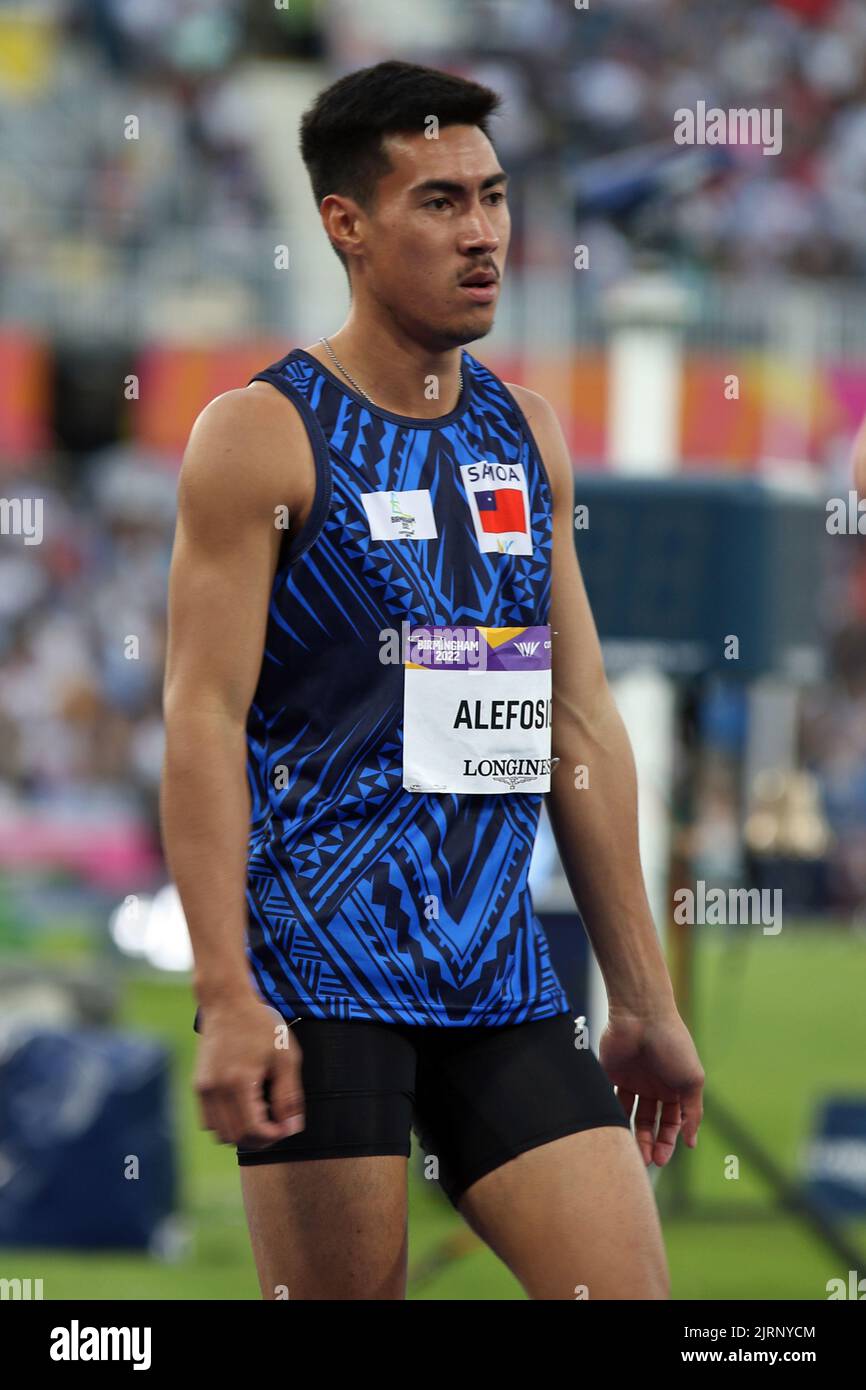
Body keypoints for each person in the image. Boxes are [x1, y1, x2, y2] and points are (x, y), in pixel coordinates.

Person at [160, 59, 704, 1301]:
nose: (483, 236)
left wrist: (641, 994)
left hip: (496, 972)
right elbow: (198, 716)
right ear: (345, 223)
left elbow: (572, 717)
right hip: (317, 974)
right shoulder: (261, 435)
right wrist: (225, 991)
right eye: (440, 203)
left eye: (494, 198)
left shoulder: (526, 433)